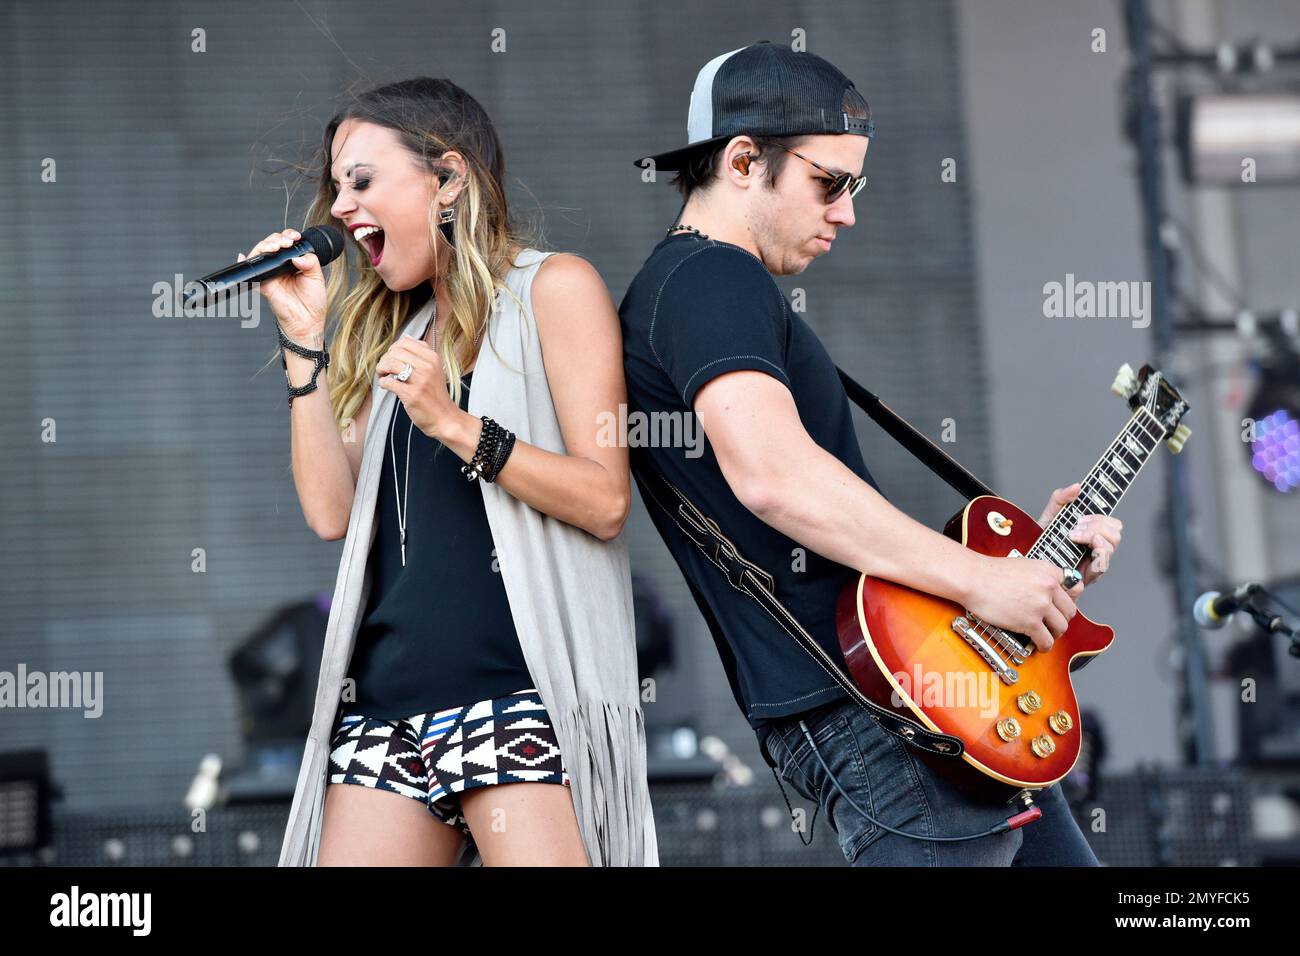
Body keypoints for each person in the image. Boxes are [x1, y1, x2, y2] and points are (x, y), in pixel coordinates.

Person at [618, 42, 1121, 866]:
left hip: (927, 708)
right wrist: (983, 579)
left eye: (857, 187)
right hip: (881, 721)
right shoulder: (712, 280)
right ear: (743, 161)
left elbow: (833, 531)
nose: (847, 212)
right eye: (829, 183)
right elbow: (776, 479)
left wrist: (1028, 561)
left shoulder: (701, 289)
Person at [263, 77, 656, 866]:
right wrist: (304, 341)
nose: (339, 207)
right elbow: (330, 514)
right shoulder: (390, 333)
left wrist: (451, 422)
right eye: (336, 187)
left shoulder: (554, 288)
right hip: (382, 709)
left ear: (447, 179)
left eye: (362, 181)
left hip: (514, 698)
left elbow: (606, 499)